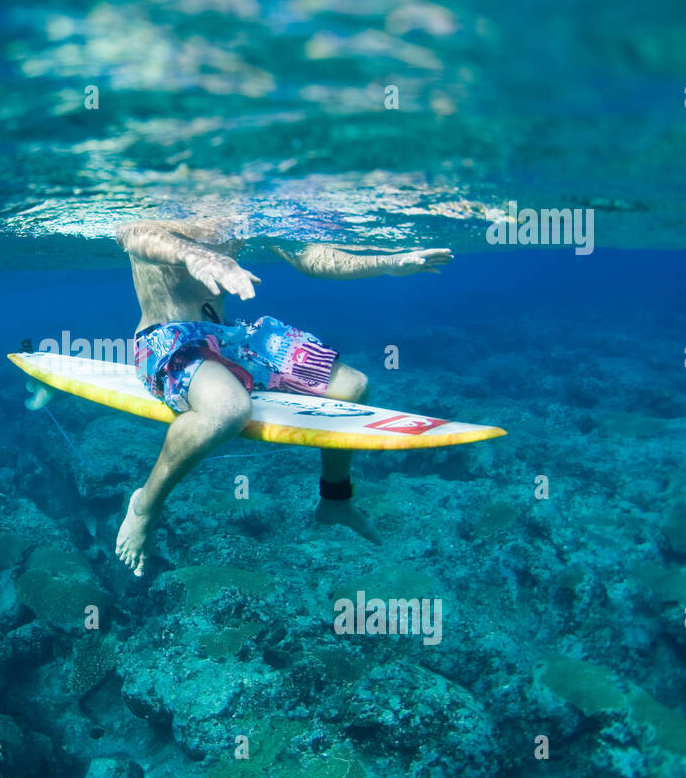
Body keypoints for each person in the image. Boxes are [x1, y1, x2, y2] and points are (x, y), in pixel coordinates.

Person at [114, 216, 452, 575]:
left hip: (229, 337)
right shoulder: (154, 196)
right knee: (228, 409)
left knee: (352, 388)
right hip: (168, 337)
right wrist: (195, 255)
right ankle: (145, 506)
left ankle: (335, 499)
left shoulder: (241, 202)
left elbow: (305, 254)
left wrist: (386, 262)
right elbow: (133, 235)